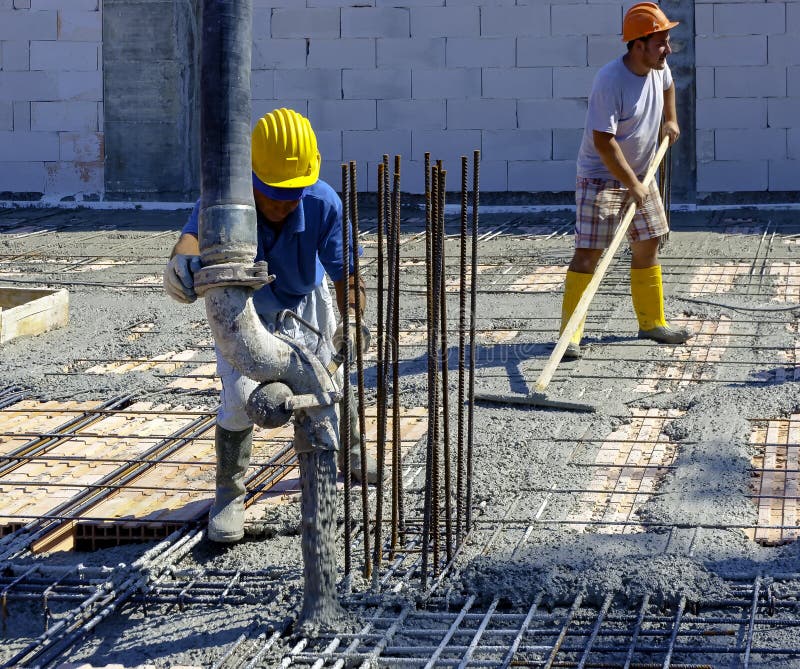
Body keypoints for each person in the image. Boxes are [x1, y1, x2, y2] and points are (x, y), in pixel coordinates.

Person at [163, 107, 376, 543]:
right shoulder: (227, 200)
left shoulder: (322, 203)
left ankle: (351, 455)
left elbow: (346, 276)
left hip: (305, 302)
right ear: (253, 178)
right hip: (244, 312)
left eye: (295, 191)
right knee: (239, 401)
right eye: (275, 192)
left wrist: (352, 319)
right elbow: (190, 236)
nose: (286, 202)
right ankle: (229, 494)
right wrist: (179, 261)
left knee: (328, 383)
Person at [560, 2, 691, 359]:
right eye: (661, 42)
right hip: (601, 177)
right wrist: (632, 184)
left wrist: (671, 120)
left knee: (648, 243)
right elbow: (604, 141)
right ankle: (570, 336)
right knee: (589, 253)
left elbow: (669, 87)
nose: (667, 49)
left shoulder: (657, 67)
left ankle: (651, 323)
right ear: (637, 45)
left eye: (667, 40)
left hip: (640, 173)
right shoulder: (610, 81)